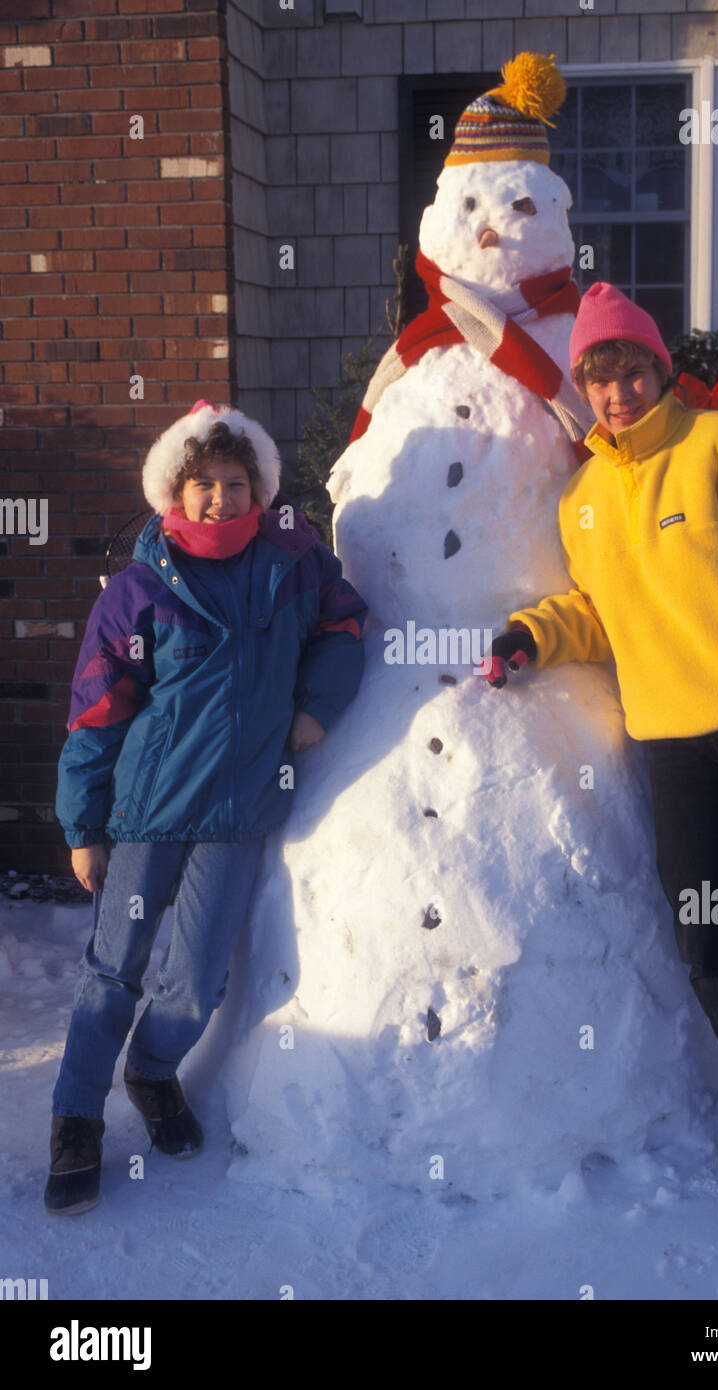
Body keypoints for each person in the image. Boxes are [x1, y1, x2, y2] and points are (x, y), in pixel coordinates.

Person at [483, 281, 718, 1199]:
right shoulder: (584, 501)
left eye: (630, 371)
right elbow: (599, 609)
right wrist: (535, 633)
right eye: (598, 378)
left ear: (661, 372)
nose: (615, 392)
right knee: (711, 936)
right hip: (677, 748)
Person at [47, 400, 368, 1215]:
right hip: (147, 814)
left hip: (239, 813)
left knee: (196, 984)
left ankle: (153, 1075)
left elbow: (343, 624)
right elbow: (94, 714)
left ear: (258, 489)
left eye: (234, 483)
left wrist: (316, 709)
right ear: (173, 495)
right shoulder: (137, 591)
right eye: (203, 486)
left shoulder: (293, 564)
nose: (220, 499)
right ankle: (76, 1118)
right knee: (113, 969)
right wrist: (83, 829)